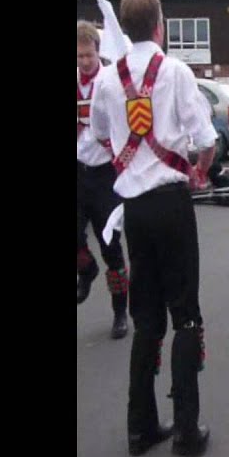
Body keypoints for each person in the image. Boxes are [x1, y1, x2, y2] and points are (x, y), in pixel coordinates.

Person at [90, 0, 218, 457]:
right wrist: (199, 169)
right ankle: (185, 426)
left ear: (124, 29)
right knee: (184, 312)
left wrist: (128, 161)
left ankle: (139, 426)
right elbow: (206, 138)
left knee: (146, 319)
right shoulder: (176, 72)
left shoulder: (106, 79)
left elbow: (100, 134)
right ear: (160, 26)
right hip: (170, 202)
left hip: (136, 210)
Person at [76, 21, 130, 340]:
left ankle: (120, 309)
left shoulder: (109, 83)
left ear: (98, 52)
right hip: (78, 169)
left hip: (105, 173)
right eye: (79, 56)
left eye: (87, 55)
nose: (83, 61)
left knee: (110, 243)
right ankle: (86, 268)